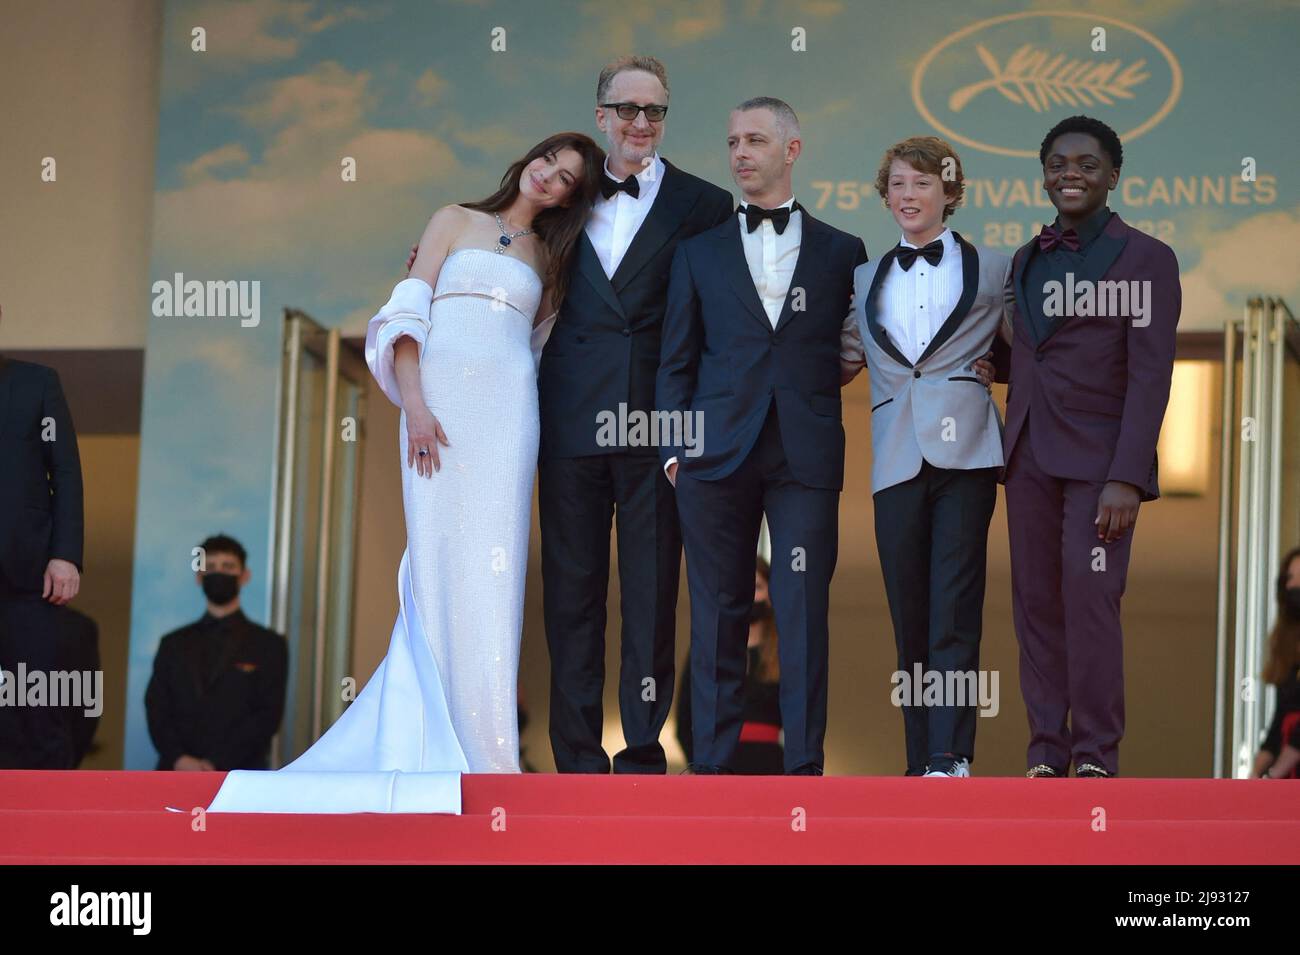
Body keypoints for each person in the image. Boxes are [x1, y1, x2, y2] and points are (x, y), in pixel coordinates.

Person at [209, 132, 604, 813]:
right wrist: (416, 405)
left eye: (567, 179)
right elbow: (406, 315)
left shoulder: (551, 256)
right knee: (437, 560)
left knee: (494, 575)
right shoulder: (454, 218)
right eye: (549, 162)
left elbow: (536, 348)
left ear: (572, 196)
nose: (550, 178)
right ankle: (428, 730)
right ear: (529, 158)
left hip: (508, 418)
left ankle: (487, 749)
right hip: (437, 407)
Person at [657, 97, 866, 775]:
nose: (740, 153)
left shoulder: (844, 251)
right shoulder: (697, 253)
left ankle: (804, 768)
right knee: (716, 610)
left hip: (803, 452)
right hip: (712, 452)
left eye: (754, 140)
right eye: (732, 142)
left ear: (792, 149)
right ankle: (712, 772)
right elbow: (676, 358)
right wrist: (671, 449)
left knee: (801, 609)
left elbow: (857, 344)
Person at [536, 57, 733, 774]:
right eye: (627, 110)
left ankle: (644, 749)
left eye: (654, 112)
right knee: (572, 593)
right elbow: (501, 243)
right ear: (601, 116)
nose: (641, 124)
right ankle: (578, 755)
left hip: (658, 426)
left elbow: (721, 326)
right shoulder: (559, 195)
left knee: (652, 592)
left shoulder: (707, 205)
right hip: (569, 421)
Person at [1000, 115, 1181, 778]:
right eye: (1057, 162)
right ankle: (1046, 749)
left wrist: (1128, 476)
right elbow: (1024, 354)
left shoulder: (1148, 258)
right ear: (1044, 173)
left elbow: (1151, 371)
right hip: (1027, 458)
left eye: (1085, 163)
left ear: (1112, 176)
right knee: (1037, 607)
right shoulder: (1027, 257)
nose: (1069, 173)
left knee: (1091, 599)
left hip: (1101, 465)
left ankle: (1095, 753)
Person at [842, 136, 1005, 778]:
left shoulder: (995, 268)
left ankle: (951, 755)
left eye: (922, 184)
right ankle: (920, 760)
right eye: (898, 185)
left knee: (955, 609)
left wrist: (1003, 365)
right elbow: (842, 358)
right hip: (895, 458)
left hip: (967, 453)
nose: (908, 195)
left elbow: (1030, 347)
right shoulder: (860, 278)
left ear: (950, 194)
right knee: (909, 614)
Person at [0, 303, 87, 768]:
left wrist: (66, 555)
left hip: (27, 571)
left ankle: (51, 812)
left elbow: (66, 471)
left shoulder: (36, 383)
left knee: (37, 696)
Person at [145, 534, 287, 771]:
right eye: (210, 567)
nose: (219, 572)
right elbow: (157, 708)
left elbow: (267, 716)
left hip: (241, 777)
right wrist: (179, 758)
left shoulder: (270, 645)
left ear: (244, 576)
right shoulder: (172, 644)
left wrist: (216, 763)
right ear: (199, 577)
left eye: (228, 566)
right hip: (175, 773)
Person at [676, 558, 783, 774]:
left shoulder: (783, 655)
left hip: (771, 765)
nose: (751, 595)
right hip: (720, 761)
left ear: (771, 596)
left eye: (758, 587)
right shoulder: (711, 651)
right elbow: (685, 716)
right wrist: (700, 765)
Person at [1253, 546, 1300, 779]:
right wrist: (1254, 773)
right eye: (1290, 578)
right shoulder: (1285, 645)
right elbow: (1281, 714)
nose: (1294, 586)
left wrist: (1274, 775)